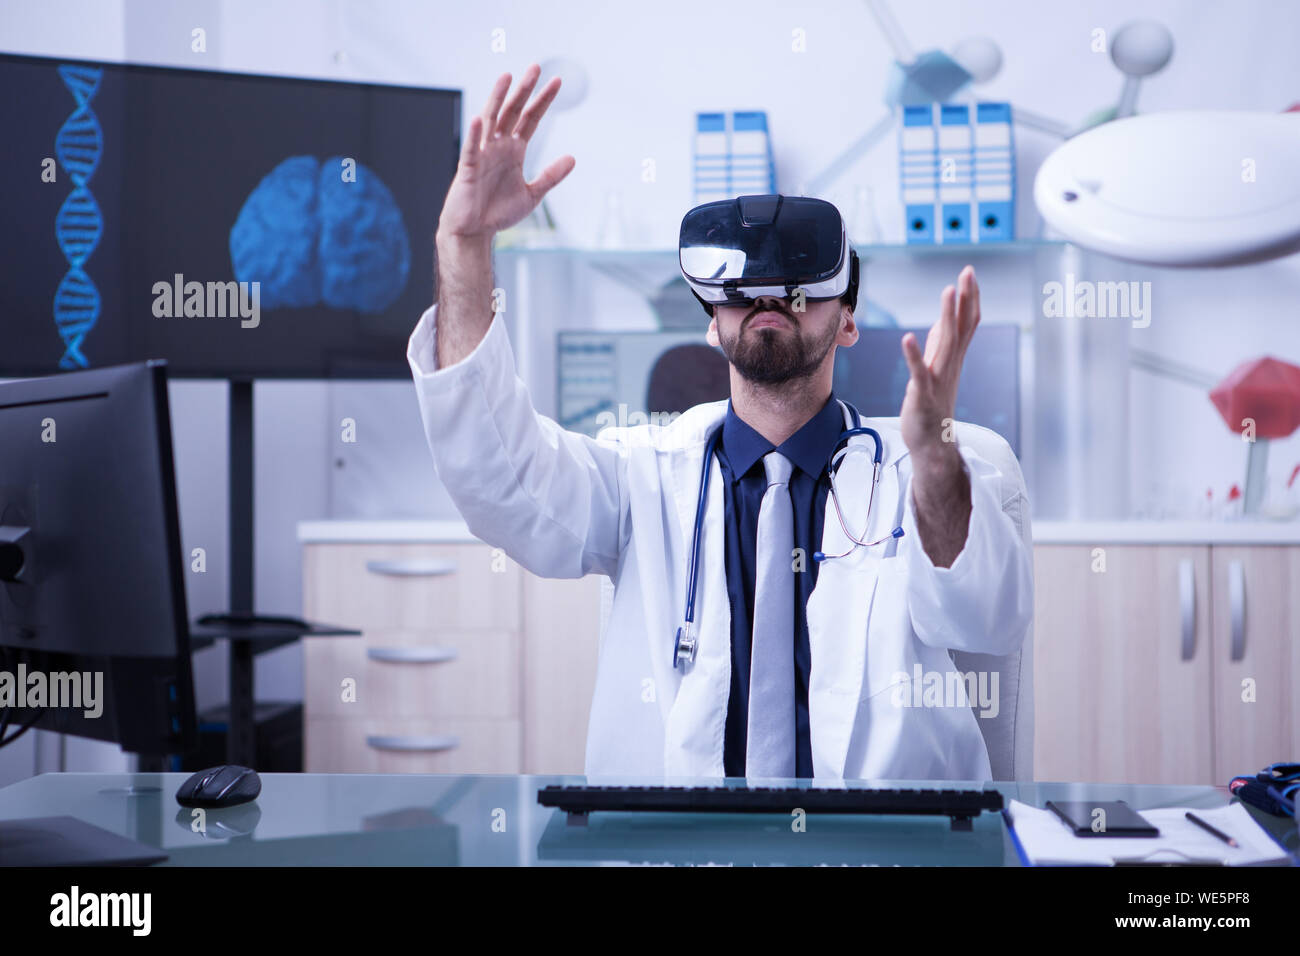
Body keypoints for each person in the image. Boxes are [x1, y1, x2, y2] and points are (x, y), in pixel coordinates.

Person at [408, 65, 1033, 781]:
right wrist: (463, 247)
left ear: (850, 321)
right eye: (742, 293)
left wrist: (934, 456)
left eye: (798, 290)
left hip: (881, 845)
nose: (769, 299)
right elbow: (499, 478)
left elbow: (989, 616)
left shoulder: (919, 470)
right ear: (711, 326)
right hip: (680, 848)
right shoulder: (639, 474)